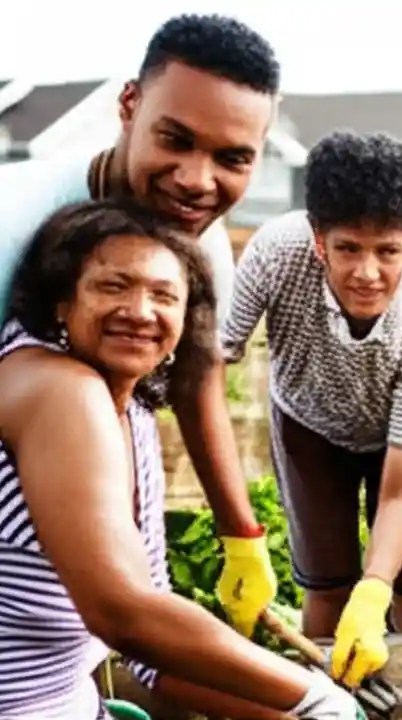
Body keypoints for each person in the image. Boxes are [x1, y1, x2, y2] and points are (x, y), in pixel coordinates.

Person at [0, 199, 359, 719]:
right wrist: (316, 695)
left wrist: (290, 717)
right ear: (61, 302)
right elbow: (125, 615)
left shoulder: (134, 414)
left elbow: (153, 657)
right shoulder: (60, 390)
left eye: (164, 296)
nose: (141, 312)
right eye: (113, 286)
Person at [0, 13, 281, 641]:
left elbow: (196, 384)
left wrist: (241, 535)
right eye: (176, 139)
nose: (196, 179)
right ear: (129, 104)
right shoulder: (11, 222)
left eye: (231, 158)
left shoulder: (197, 245)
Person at [220, 130, 402, 688]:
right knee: (325, 583)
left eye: (388, 251)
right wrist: (235, 528)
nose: (367, 272)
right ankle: (328, 700)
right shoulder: (275, 254)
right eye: (349, 248)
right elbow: (213, 360)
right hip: (309, 423)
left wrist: (375, 591)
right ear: (317, 238)